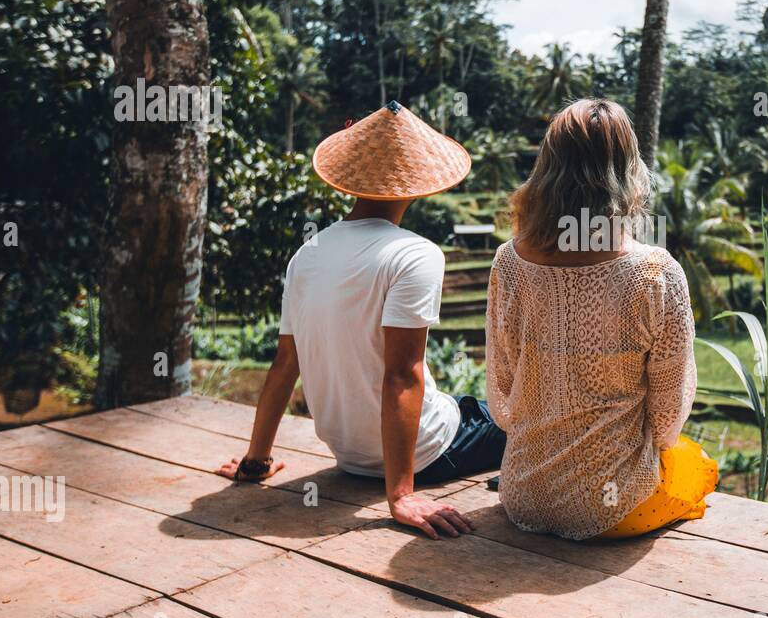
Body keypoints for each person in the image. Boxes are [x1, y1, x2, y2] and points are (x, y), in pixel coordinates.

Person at [217, 100, 505, 540]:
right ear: (420, 183)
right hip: (427, 453)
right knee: (518, 418)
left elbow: (284, 365)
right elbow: (402, 375)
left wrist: (256, 460)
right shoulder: (414, 253)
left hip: (349, 456)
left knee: (468, 406)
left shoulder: (306, 254)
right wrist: (401, 495)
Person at [485, 97, 717, 541]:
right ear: (629, 170)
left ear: (547, 167)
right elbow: (668, 419)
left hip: (523, 493)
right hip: (616, 510)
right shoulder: (656, 272)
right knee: (697, 464)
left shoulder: (508, 261)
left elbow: (503, 392)